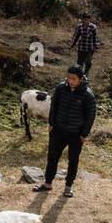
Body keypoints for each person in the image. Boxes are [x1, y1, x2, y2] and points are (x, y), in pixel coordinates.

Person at [33, 65, 96, 198]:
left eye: (73, 78)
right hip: (58, 130)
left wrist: (84, 134)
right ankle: (48, 183)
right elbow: (54, 105)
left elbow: (90, 116)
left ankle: (68, 186)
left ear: (81, 79)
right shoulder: (61, 88)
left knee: (73, 161)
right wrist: (51, 123)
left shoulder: (88, 95)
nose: (70, 81)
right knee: (52, 157)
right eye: (68, 78)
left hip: (75, 134)